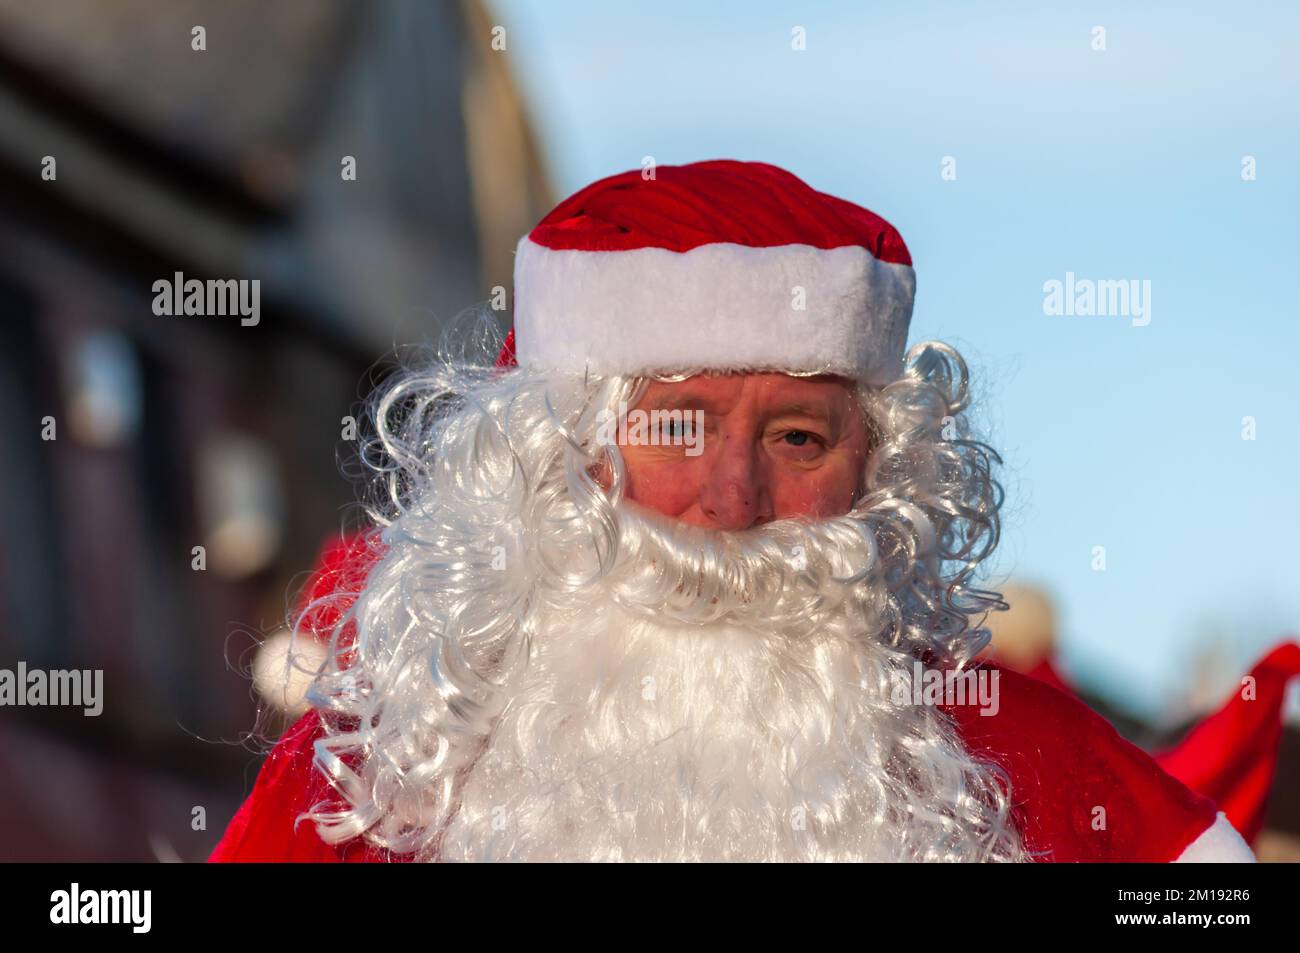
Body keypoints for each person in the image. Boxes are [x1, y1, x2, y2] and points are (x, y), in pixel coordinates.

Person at [210, 159, 1253, 862]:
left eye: (798, 437)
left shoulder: (1016, 753)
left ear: (880, 472)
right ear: (557, 454)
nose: (734, 499)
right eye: (676, 428)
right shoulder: (375, 771)